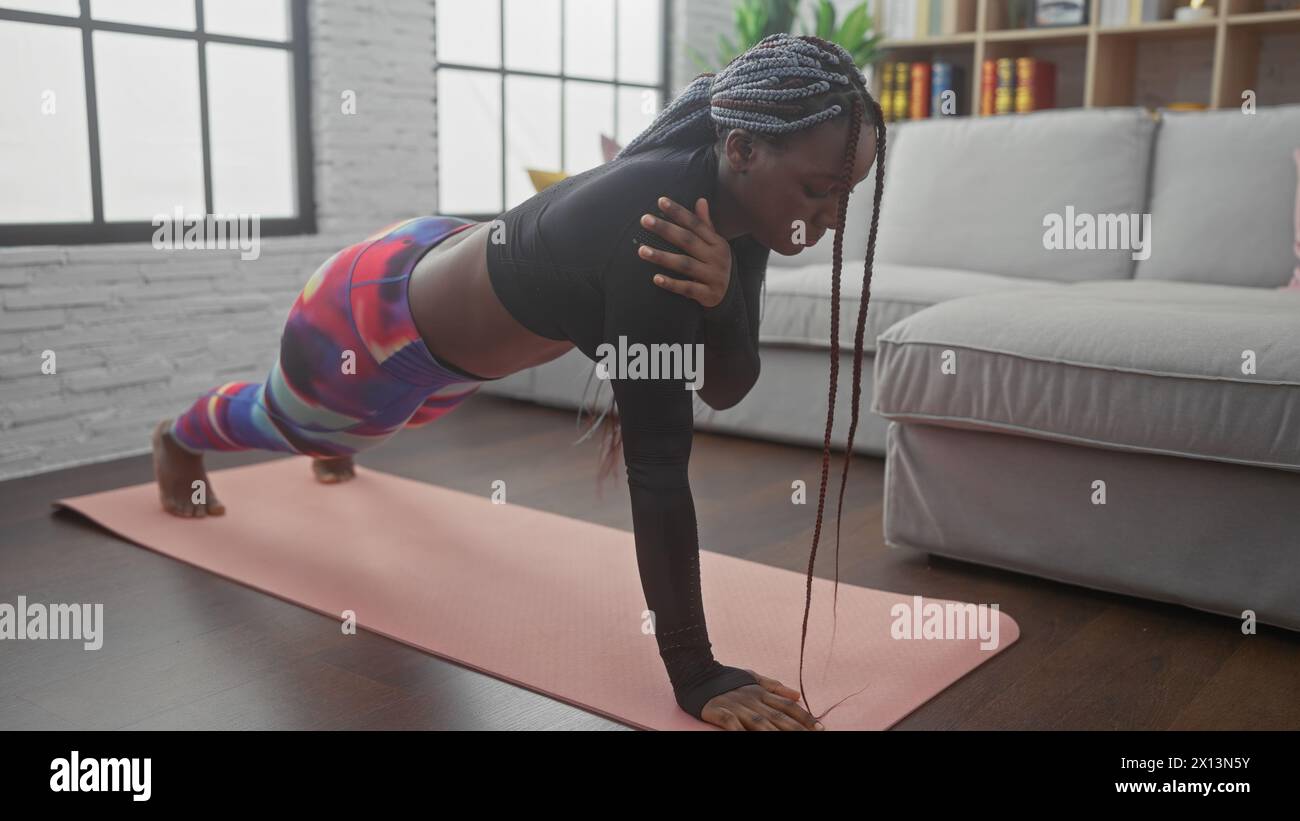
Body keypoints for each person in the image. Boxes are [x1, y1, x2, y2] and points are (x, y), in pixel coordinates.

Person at [152, 33, 886, 731]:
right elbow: (658, 468)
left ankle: (337, 439)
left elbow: (728, 386)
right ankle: (179, 438)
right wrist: (697, 674)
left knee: (389, 421)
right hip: (368, 323)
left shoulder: (736, 212)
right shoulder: (662, 232)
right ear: (741, 147)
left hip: (438, 307)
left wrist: (725, 293)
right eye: (819, 190)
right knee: (296, 423)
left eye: (847, 197)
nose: (830, 218)